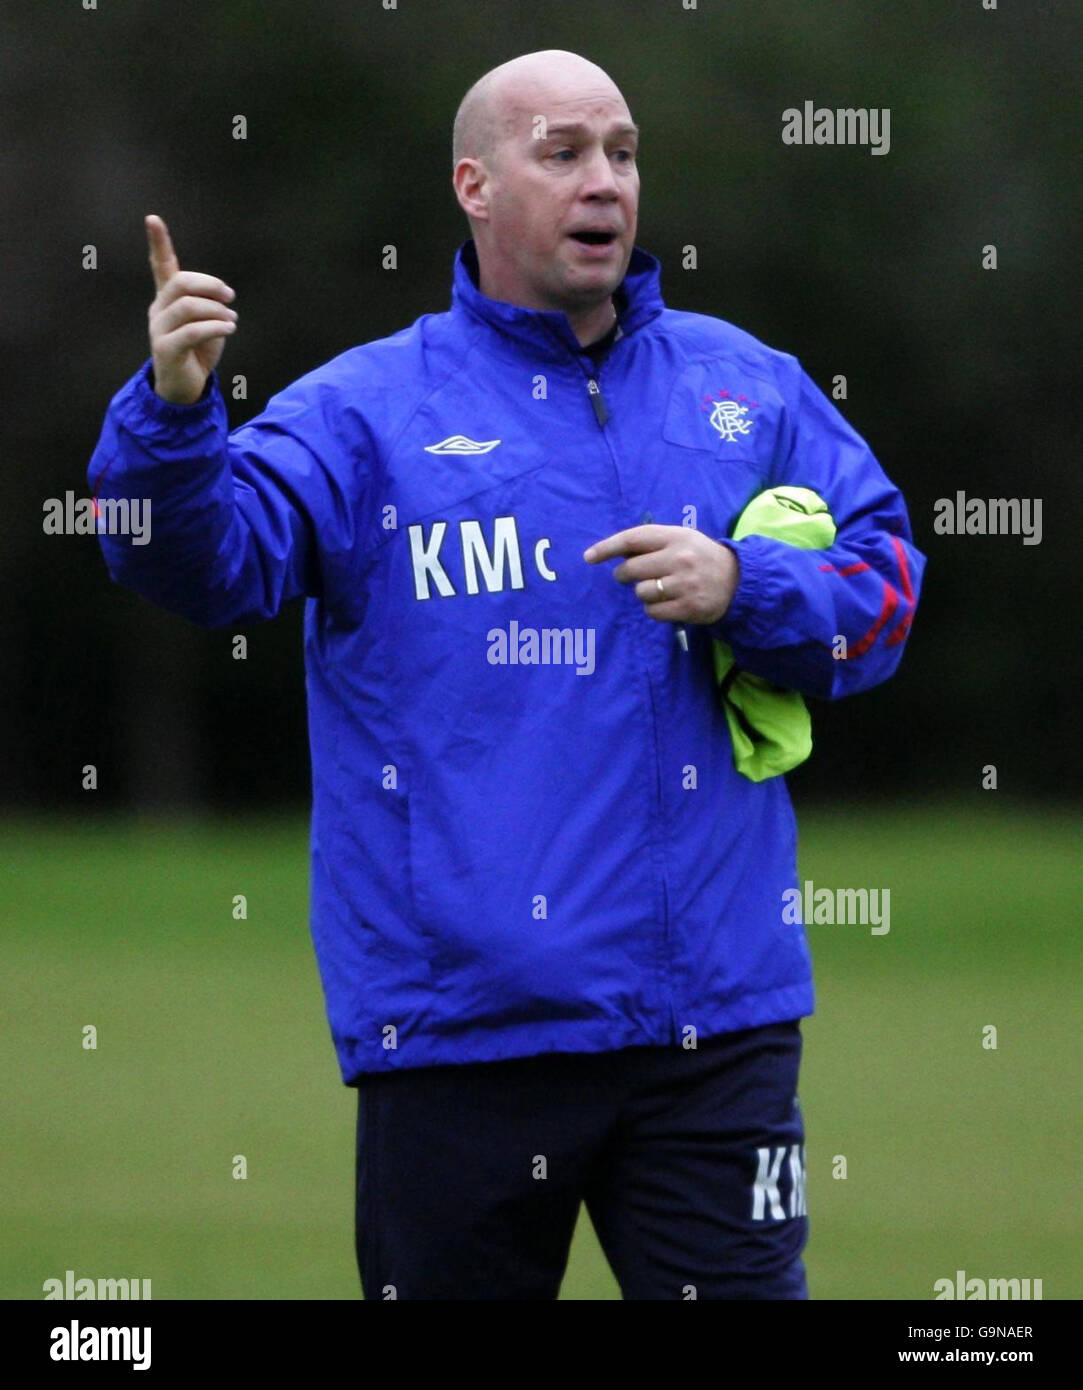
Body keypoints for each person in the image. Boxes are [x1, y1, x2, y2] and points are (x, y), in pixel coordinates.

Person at [87, 49, 924, 1300]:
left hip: (714, 1025)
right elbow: (196, 565)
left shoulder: (747, 388)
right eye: (564, 152)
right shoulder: (366, 413)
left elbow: (889, 593)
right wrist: (168, 418)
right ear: (475, 187)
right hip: (461, 1036)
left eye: (623, 153)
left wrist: (749, 587)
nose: (606, 182)